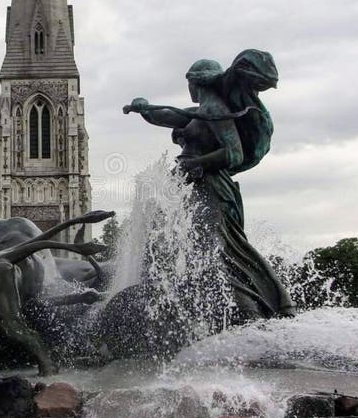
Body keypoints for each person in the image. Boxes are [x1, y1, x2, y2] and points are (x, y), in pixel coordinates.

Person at [124, 50, 294, 319]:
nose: (188, 87)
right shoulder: (202, 112)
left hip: (212, 190)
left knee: (222, 250)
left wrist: (193, 165)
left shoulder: (216, 111)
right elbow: (169, 115)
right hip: (196, 187)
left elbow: (234, 154)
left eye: (189, 82)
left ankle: (267, 304)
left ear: (197, 82)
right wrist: (144, 108)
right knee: (200, 247)